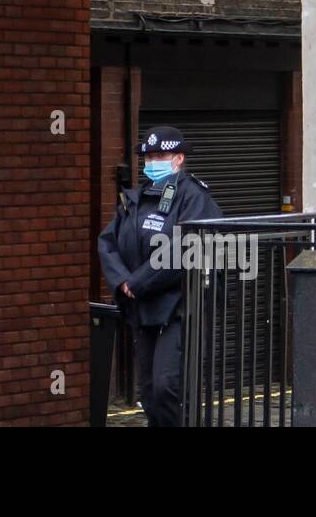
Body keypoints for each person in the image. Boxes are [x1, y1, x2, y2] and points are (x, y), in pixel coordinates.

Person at [97, 126, 221, 426]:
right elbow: (108, 242)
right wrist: (123, 282)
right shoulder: (135, 199)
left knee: (168, 386)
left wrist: (136, 282)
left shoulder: (194, 197)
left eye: (161, 155)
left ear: (179, 158)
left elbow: (184, 249)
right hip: (143, 306)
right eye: (149, 157)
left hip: (181, 307)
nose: (153, 162)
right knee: (149, 390)